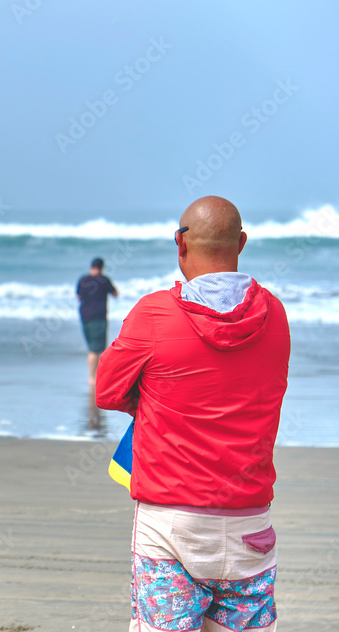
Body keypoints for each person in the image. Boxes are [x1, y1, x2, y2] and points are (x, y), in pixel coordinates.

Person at [96, 196, 290, 632]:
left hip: (170, 525)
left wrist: (157, 401)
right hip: (250, 523)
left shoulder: (154, 314)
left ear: (179, 245)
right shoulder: (274, 315)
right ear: (240, 242)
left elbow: (107, 391)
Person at [76, 257, 118, 385]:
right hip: (98, 317)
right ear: (102, 268)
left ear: (90, 267)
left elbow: (78, 296)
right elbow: (115, 294)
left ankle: (94, 377)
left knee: (92, 347)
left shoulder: (82, 280)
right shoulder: (104, 280)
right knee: (96, 349)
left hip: (84, 317)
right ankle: (93, 378)